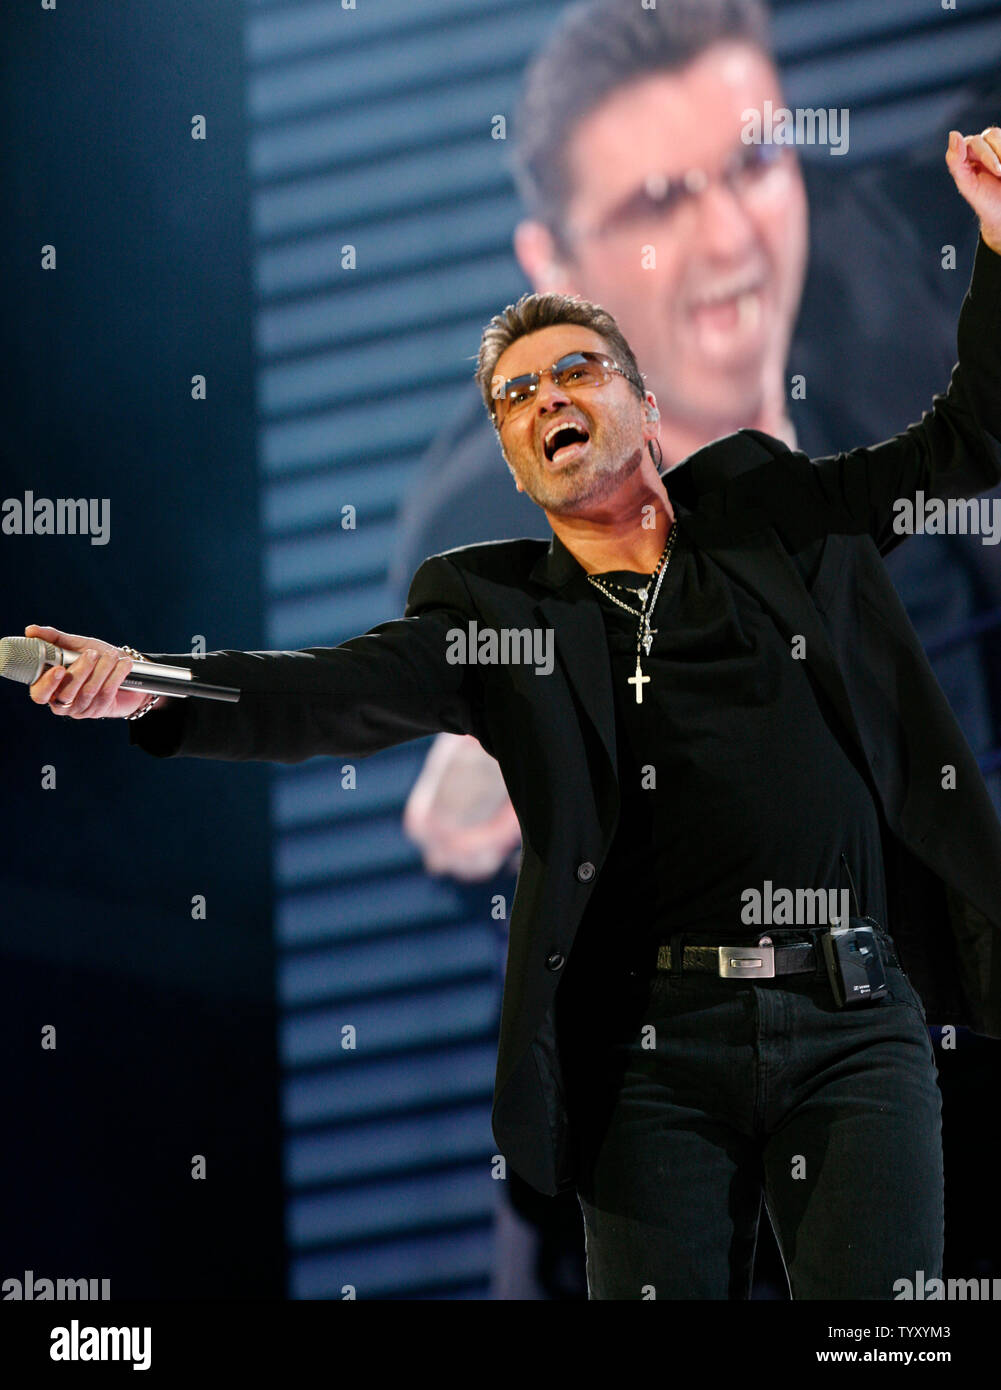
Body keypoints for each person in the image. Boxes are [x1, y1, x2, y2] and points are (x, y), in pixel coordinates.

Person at [23, 126, 1001, 1299]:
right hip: (648, 1057)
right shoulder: (494, 609)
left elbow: (963, 443)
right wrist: (152, 678)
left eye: (573, 372)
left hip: (849, 1020)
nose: (545, 402)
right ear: (510, 452)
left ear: (642, 403)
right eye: (515, 397)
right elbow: (324, 692)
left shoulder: (766, 503)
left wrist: (994, 238)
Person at [390, 0, 1001, 1296]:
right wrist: (482, 770)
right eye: (660, 202)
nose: (729, 238)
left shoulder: (906, 267)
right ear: (554, 266)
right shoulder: (484, 510)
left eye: (754, 164)